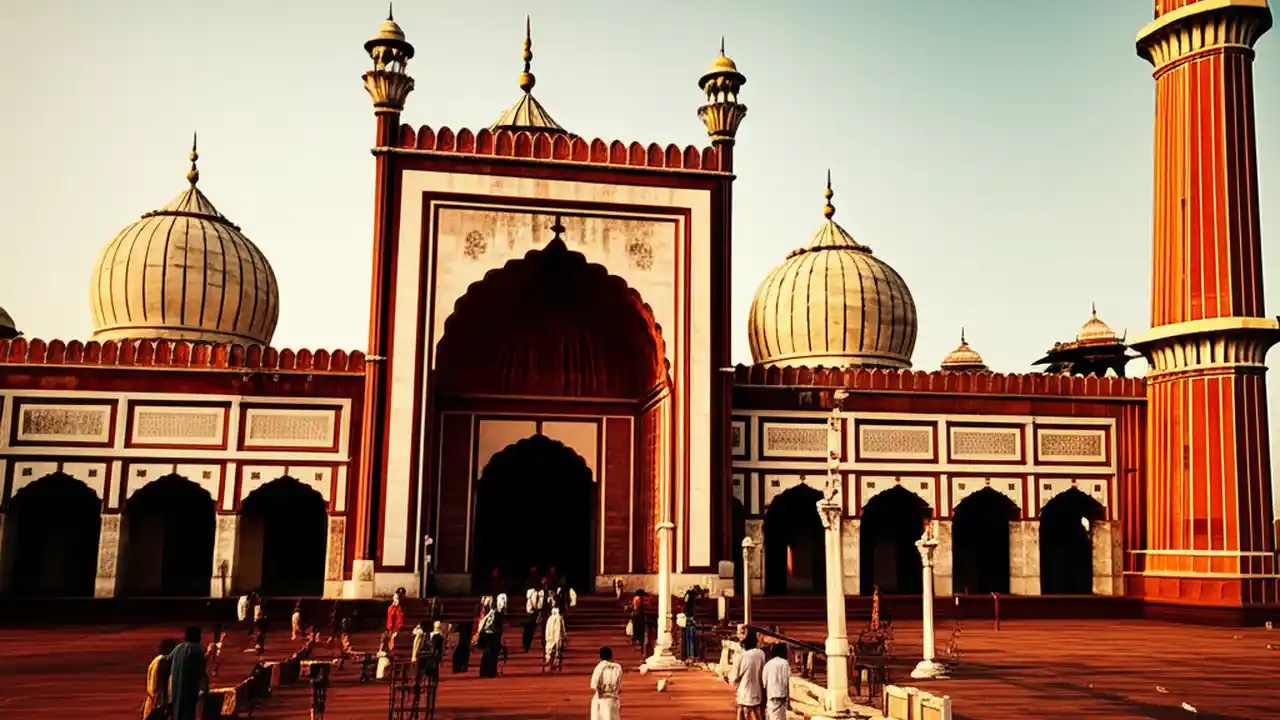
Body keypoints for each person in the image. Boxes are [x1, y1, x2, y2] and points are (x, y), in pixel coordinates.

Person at [168, 626, 207, 720]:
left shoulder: (178, 648)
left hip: (176, 686)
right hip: (189, 687)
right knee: (189, 711)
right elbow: (202, 670)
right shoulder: (198, 648)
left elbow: (167, 659)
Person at [730, 632, 766, 720]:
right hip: (757, 690)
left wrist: (733, 681)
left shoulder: (743, 655)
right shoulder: (761, 654)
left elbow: (736, 674)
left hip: (744, 690)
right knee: (756, 713)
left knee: (741, 712)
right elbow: (763, 672)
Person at [142, 638, 177, 719]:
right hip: (158, 704)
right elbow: (163, 685)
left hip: (152, 703)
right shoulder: (164, 661)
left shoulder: (155, 661)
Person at [589, 646, 622, 720]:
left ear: (600, 657)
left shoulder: (599, 667)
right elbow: (618, 684)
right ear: (611, 655)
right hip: (613, 699)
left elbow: (593, 685)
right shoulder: (618, 667)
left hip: (601, 700)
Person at [763, 643, 790, 720]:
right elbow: (788, 681)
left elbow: (764, 683)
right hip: (783, 698)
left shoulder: (768, 665)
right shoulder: (786, 663)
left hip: (772, 697)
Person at [476, 599, 499, 678]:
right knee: (490, 654)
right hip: (490, 635)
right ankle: (489, 672)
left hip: (487, 635)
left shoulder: (489, 614)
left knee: (487, 654)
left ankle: (486, 672)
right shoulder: (493, 614)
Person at [544, 606, 567, 672]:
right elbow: (563, 629)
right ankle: (555, 662)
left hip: (552, 637)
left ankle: (552, 661)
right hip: (556, 637)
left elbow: (547, 629)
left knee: (551, 650)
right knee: (557, 650)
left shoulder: (550, 618)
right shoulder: (559, 618)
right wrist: (564, 636)